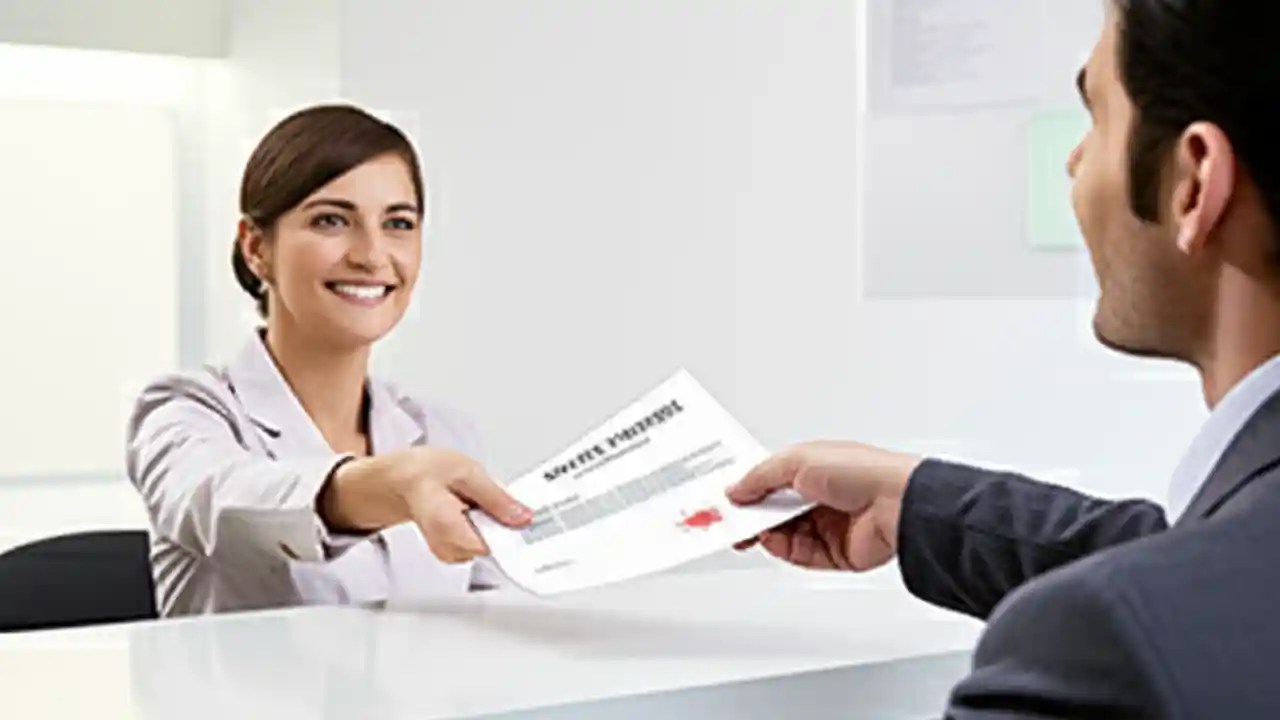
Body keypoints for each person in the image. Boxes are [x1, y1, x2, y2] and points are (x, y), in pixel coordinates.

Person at [730, 2, 1280, 717]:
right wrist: (917, 502)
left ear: (1194, 184)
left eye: (1097, 118)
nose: (1074, 161)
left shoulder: (1100, 652)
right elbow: (1216, 570)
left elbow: (1170, 605)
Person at [127, 105, 532, 617]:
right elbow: (221, 502)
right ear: (256, 248)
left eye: (398, 223)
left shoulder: (442, 432)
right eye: (331, 220)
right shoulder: (183, 412)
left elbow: (498, 618)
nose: (372, 254)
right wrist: (392, 486)